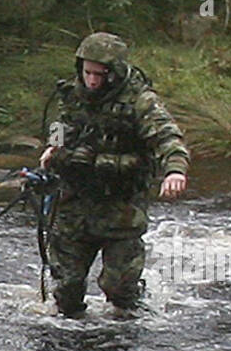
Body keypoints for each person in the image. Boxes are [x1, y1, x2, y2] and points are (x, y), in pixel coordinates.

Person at [39, 33, 189, 316]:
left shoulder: (140, 101)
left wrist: (175, 171)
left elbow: (169, 138)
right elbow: (60, 127)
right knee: (67, 290)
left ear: (115, 73)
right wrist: (54, 148)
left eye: (100, 74)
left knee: (119, 291)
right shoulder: (72, 95)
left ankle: (132, 314)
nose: (92, 81)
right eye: (87, 73)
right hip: (75, 203)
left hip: (121, 205)